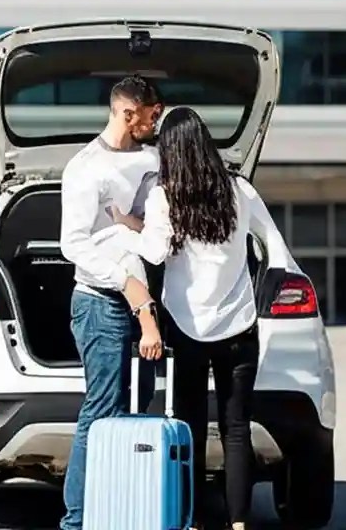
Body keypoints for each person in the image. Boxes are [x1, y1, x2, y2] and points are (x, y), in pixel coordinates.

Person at [109, 106, 287, 530]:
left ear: (170, 149)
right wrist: (267, 289)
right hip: (240, 326)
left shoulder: (164, 197)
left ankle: (192, 519)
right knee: (236, 429)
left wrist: (120, 225)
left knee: (190, 426)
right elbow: (275, 246)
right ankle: (239, 522)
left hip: (188, 329)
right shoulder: (238, 190)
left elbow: (154, 251)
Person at [58, 74, 166, 530]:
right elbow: (73, 245)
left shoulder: (150, 158)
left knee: (135, 412)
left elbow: (149, 221)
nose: (155, 121)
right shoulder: (85, 168)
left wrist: (131, 225)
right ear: (128, 113)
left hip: (141, 298)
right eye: (151, 115)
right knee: (102, 413)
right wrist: (125, 282)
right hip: (100, 304)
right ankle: (78, 521)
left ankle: (120, 510)